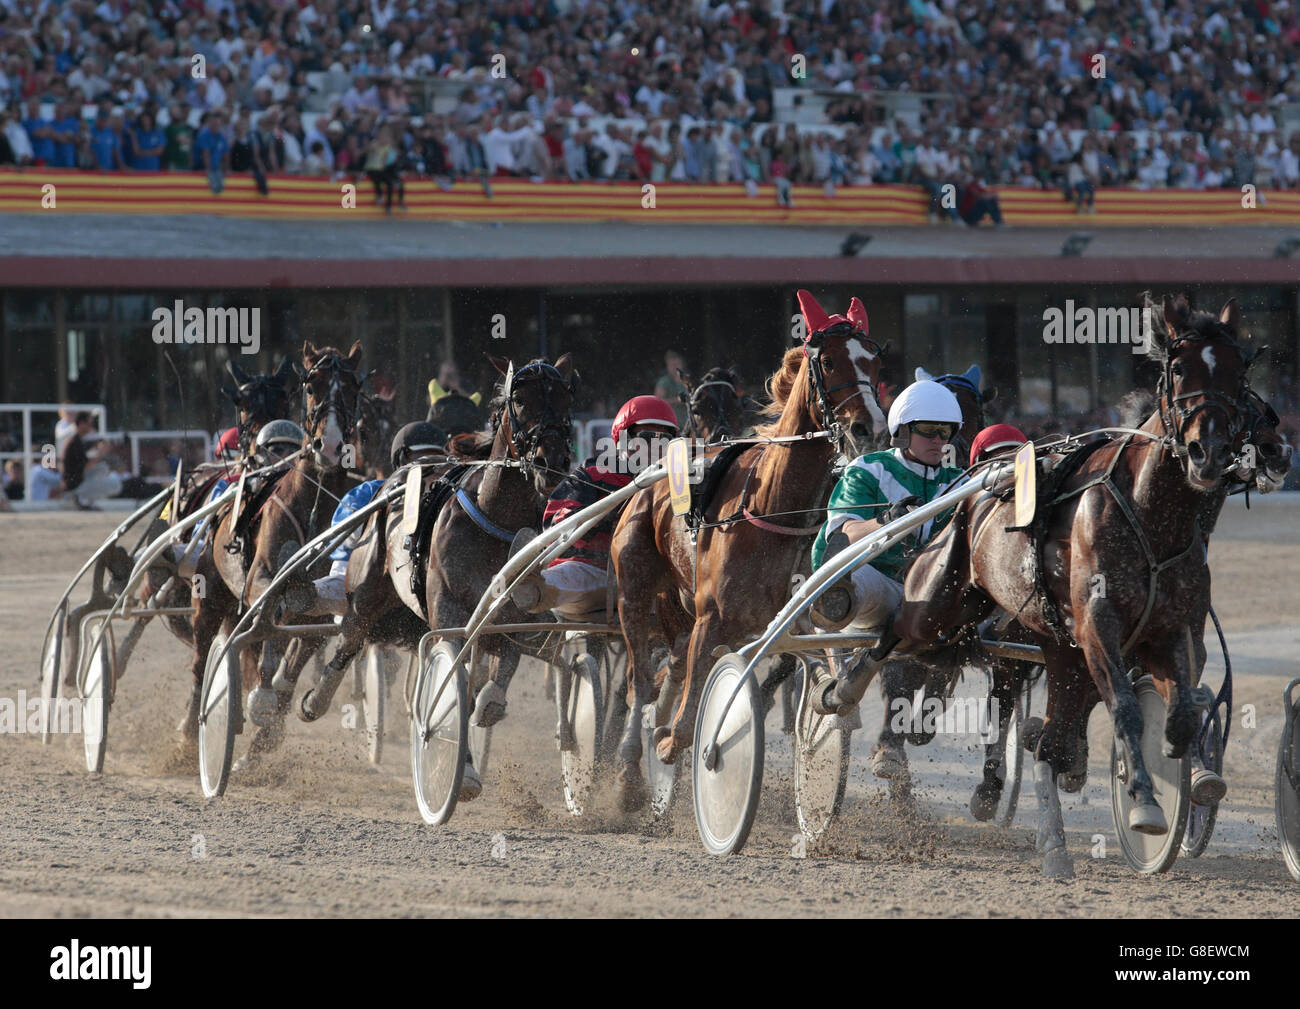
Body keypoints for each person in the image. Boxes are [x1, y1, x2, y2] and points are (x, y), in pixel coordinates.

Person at [807, 380, 966, 718]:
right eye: (928, 430)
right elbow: (845, 531)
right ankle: (833, 602)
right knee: (862, 578)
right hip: (876, 579)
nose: (938, 440)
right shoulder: (869, 469)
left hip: (926, 594)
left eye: (946, 432)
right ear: (902, 430)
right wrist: (886, 521)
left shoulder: (960, 482)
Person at [512, 396, 679, 618]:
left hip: (652, 581)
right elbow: (557, 525)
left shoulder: (676, 483)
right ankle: (534, 588)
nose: (656, 447)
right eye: (647, 437)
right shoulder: (593, 473)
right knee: (572, 575)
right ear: (624, 438)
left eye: (665, 440)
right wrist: (609, 517)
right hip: (594, 573)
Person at [290, 422, 447, 619]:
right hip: (362, 586)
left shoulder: (452, 503)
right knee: (342, 585)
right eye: (421, 458)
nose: (431, 465)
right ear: (402, 459)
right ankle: (307, 593)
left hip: (426, 589)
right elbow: (345, 542)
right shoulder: (370, 493)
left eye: (438, 458)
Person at [61, 412, 123, 509]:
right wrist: (101, 452)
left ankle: (85, 499)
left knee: (102, 468)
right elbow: (87, 466)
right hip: (74, 487)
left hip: (75, 482)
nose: (91, 426)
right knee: (116, 485)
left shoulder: (77, 440)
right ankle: (81, 498)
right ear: (81, 424)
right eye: (89, 424)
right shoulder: (74, 442)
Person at [654, 350, 689, 427]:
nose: (674, 367)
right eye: (671, 365)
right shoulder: (664, 382)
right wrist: (677, 400)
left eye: (677, 364)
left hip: (689, 424)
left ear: (683, 364)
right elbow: (657, 403)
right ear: (667, 366)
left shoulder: (689, 380)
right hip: (670, 424)